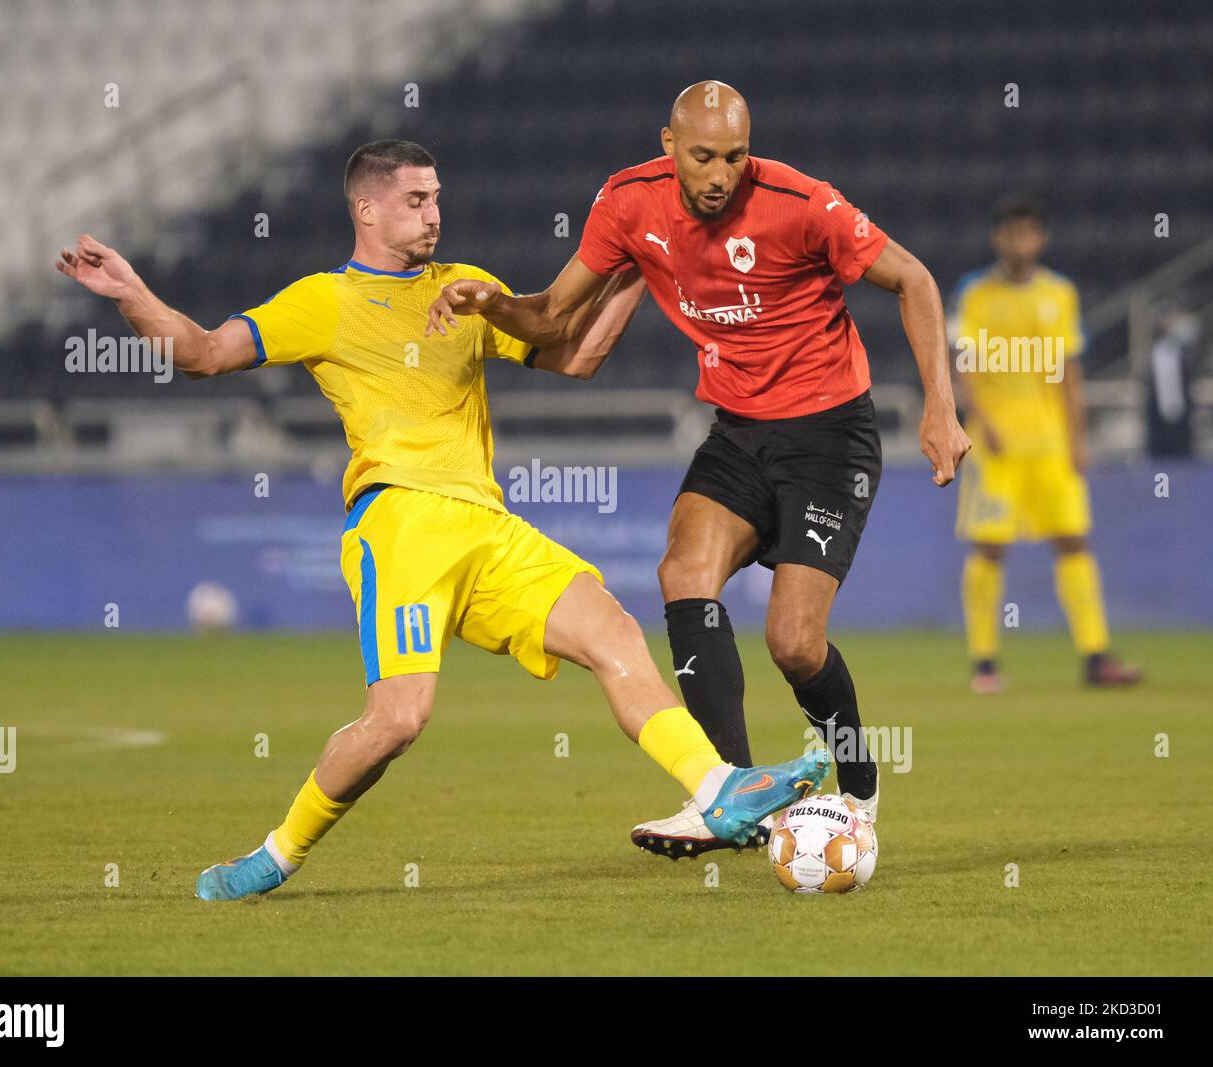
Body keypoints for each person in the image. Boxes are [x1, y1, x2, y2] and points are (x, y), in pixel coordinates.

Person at [55, 138, 830, 900]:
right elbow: (201, 352)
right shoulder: (323, 301)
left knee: (614, 633)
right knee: (397, 720)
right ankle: (275, 854)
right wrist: (131, 292)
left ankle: (716, 786)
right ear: (366, 208)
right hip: (401, 523)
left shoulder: (465, 285)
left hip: (487, 525)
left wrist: (635, 265)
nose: (433, 215)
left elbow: (576, 353)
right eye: (415, 200)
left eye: (437, 199)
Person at [427, 82, 969, 857]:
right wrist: (493, 302)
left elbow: (913, 278)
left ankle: (858, 784)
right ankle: (727, 793)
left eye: (736, 156)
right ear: (668, 146)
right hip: (739, 430)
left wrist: (939, 407)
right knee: (683, 573)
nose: (721, 173)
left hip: (829, 435)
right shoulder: (627, 202)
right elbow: (551, 315)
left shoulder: (800, 203)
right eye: (704, 156)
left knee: (794, 642)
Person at [951, 196, 1141, 692]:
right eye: (1011, 233)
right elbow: (961, 364)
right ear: (999, 239)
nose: (1020, 242)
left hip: (1052, 442)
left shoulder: (1061, 293)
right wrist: (977, 422)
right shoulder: (975, 293)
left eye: (1028, 233)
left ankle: (1096, 655)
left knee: (1074, 539)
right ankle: (984, 660)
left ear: (1041, 238)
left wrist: (1078, 438)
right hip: (995, 447)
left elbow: (1071, 371)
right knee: (990, 546)